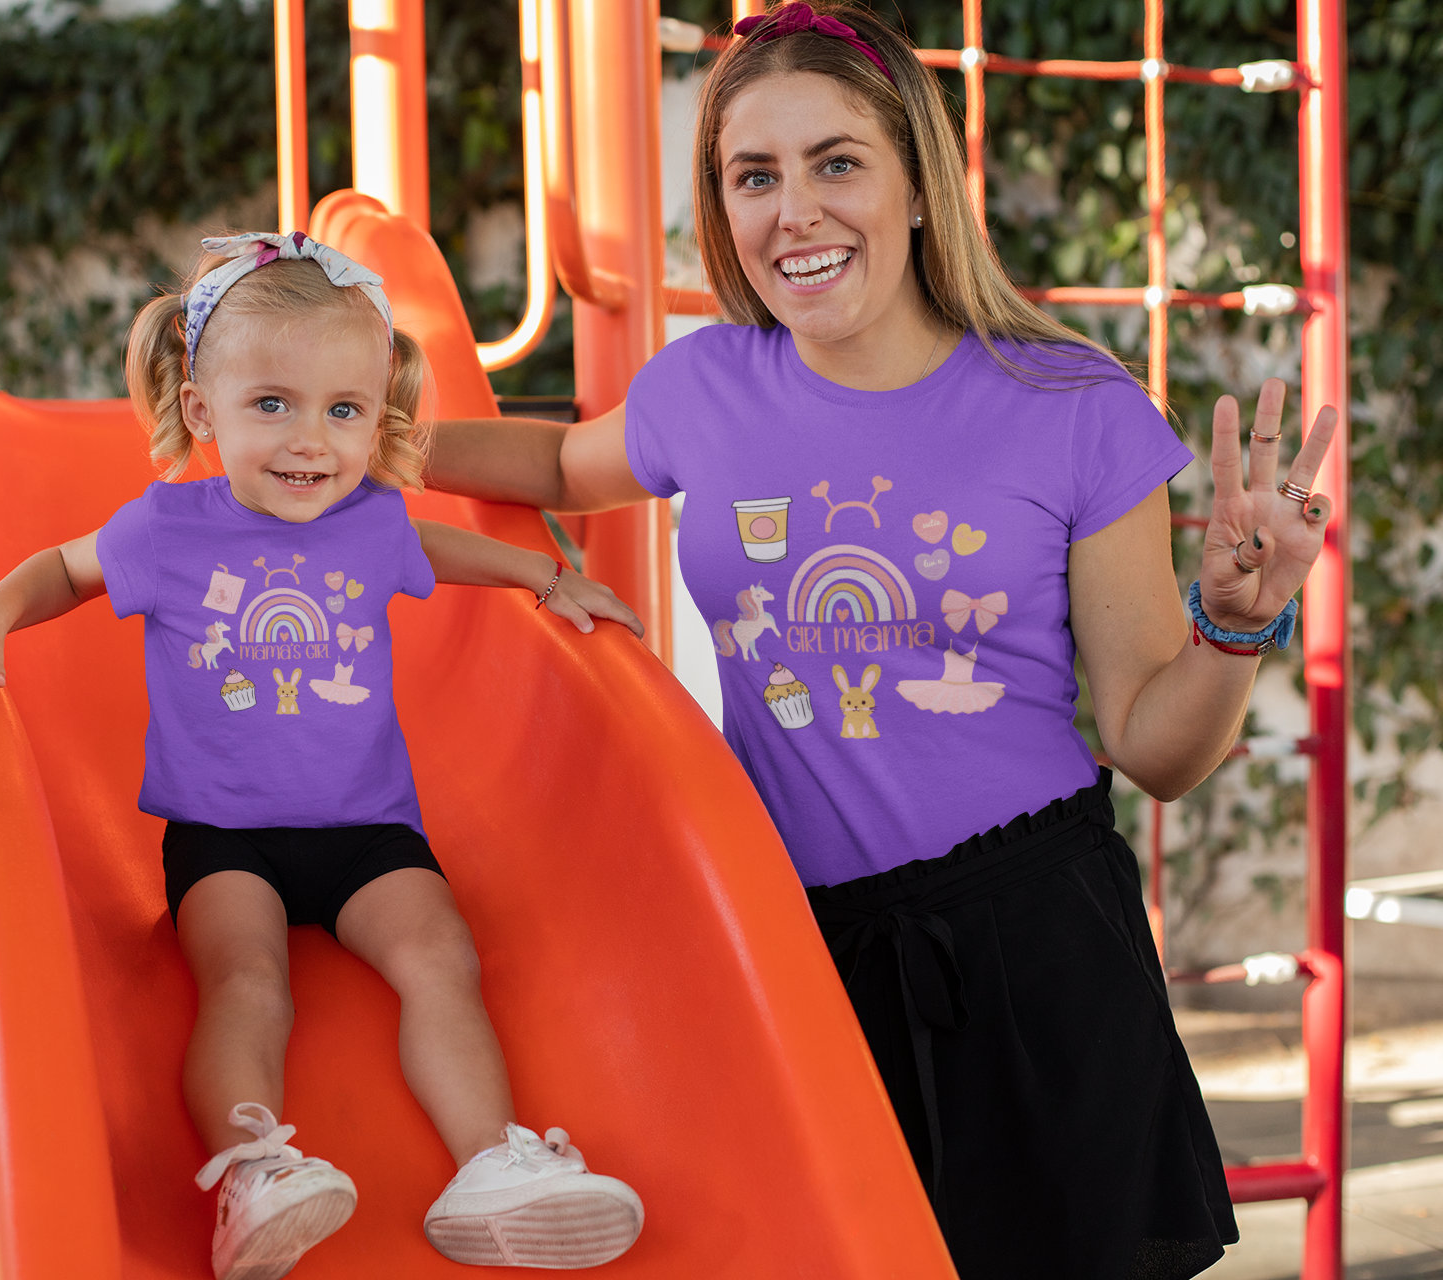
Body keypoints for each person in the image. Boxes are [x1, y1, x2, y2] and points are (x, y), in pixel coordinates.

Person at [422, 4, 1337, 1277]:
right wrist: (355, 437)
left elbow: (1156, 748)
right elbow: (558, 463)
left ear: (920, 181)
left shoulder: (1076, 407)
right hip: (802, 951)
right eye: (755, 175)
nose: (793, 209)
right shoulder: (704, 387)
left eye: (837, 161)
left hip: (1033, 948)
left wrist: (1236, 624)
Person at [0, 231, 646, 1280]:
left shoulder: (367, 516)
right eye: (272, 405)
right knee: (246, 980)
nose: (312, 441)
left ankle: (491, 1163)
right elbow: (63, 571)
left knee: (440, 955)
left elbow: (427, 544)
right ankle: (253, 1170)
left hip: (367, 828)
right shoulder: (169, 528)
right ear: (203, 411)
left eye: (345, 410)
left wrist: (540, 573)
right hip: (224, 834)